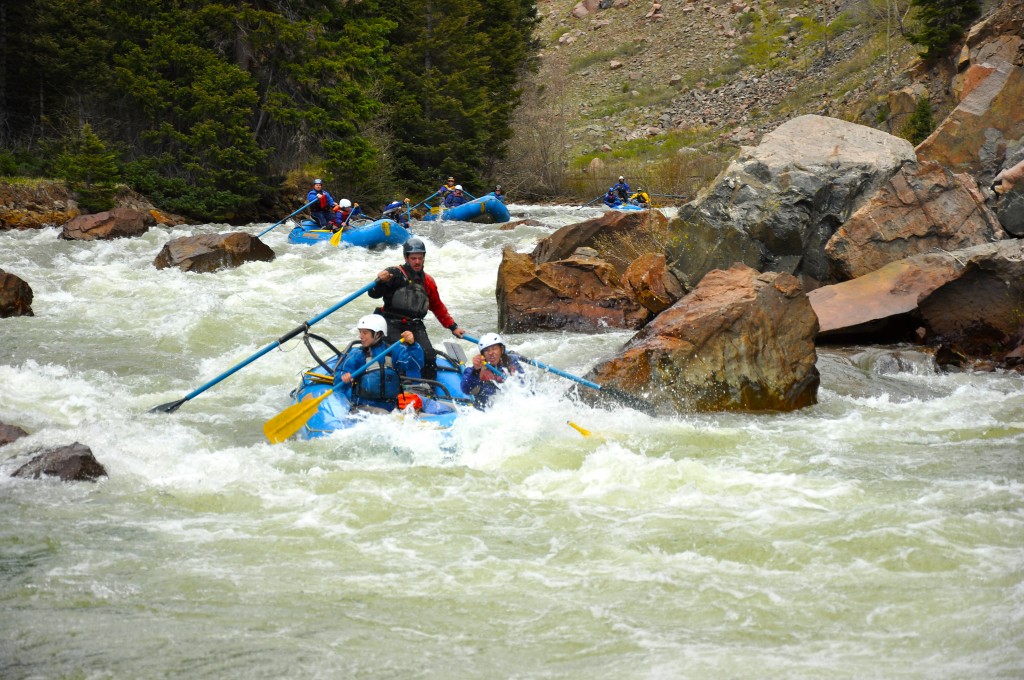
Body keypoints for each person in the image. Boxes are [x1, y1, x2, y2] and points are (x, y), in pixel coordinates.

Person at [369, 238, 465, 380]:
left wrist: (453, 327)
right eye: (413, 258)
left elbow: (437, 306)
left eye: (420, 258)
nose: (417, 262)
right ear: (406, 258)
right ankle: (396, 386)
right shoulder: (394, 274)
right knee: (400, 352)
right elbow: (373, 293)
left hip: (414, 324)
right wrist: (380, 281)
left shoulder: (428, 282)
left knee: (429, 356)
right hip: (391, 322)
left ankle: (428, 389)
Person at [335, 314, 424, 413]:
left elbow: (415, 365)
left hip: (391, 408)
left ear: (377, 334)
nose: (361, 336)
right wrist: (343, 377)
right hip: (362, 409)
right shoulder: (357, 355)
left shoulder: (394, 351)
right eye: (360, 332)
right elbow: (338, 383)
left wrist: (412, 345)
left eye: (365, 333)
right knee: (384, 415)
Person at [460, 333, 524, 409]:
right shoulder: (473, 370)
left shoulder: (512, 363)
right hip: (487, 412)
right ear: (482, 354)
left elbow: (524, 386)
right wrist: (476, 371)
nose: (491, 353)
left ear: (502, 350)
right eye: (487, 350)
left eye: (494, 348)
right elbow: (466, 389)